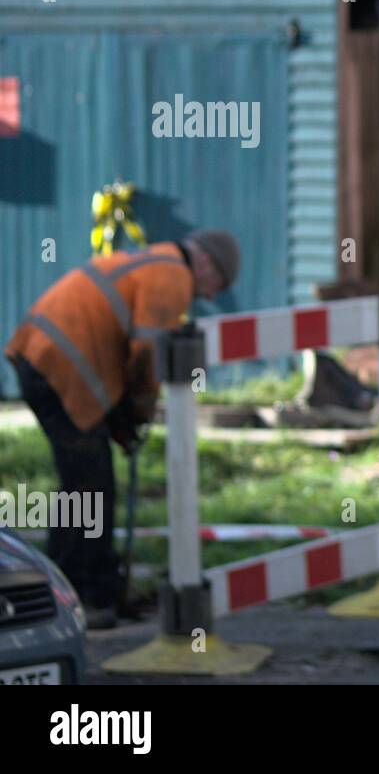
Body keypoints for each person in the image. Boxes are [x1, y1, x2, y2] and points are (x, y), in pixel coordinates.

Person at [6, 229, 241, 628]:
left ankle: (78, 587)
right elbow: (147, 355)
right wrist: (139, 411)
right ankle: (81, 595)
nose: (211, 295)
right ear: (204, 263)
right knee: (90, 486)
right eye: (217, 282)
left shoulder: (157, 260)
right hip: (58, 364)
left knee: (84, 485)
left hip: (43, 355)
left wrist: (121, 417)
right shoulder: (172, 277)